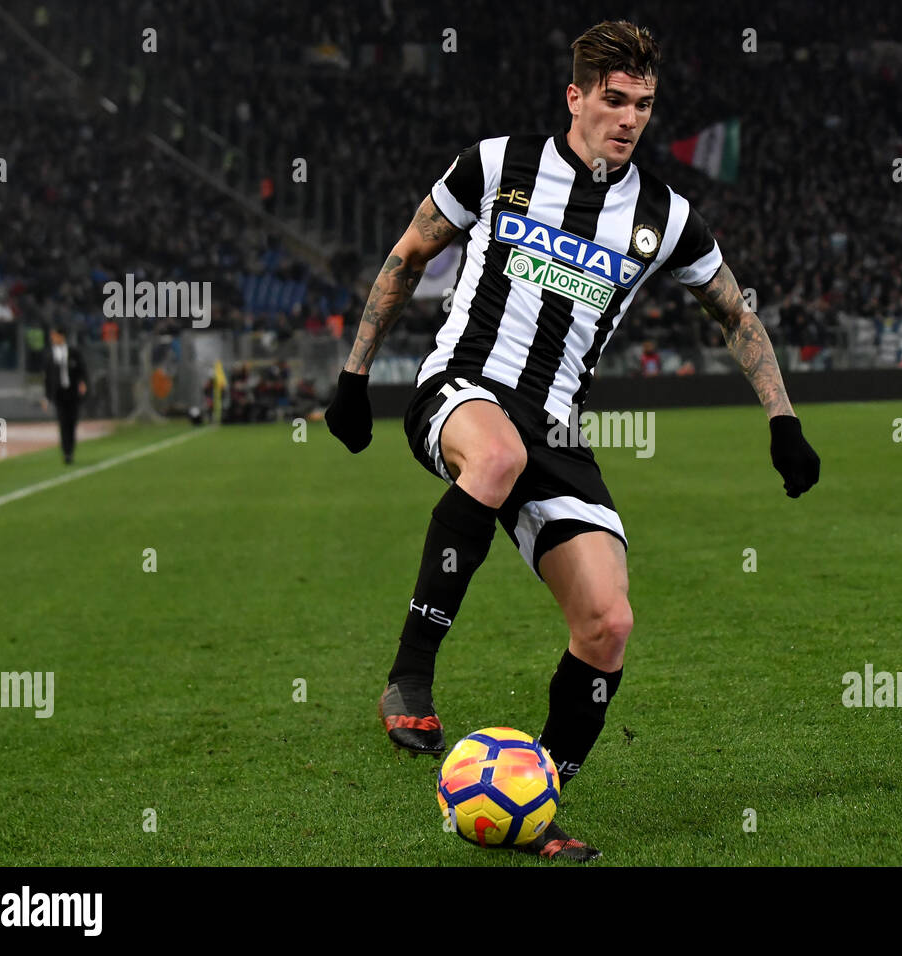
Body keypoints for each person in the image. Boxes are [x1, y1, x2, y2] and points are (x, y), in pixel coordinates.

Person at [325, 19, 820, 862]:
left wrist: (783, 419)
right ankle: (411, 672)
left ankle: (535, 803)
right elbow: (410, 254)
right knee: (499, 454)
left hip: (555, 429)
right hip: (463, 390)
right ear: (577, 98)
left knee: (609, 622)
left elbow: (737, 313)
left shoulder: (665, 217)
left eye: (645, 105)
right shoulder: (495, 165)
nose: (629, 119)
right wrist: (352, 378)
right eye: (615, 100)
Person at [41, 323, 87, 464]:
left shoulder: (73, 353)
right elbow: (48, 378)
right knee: (62, 422)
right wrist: (47, 397)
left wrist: (83, 382)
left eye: (55, 335)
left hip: (72, 392)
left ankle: (71, 449)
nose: (53, 338)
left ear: (62, 336)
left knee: (72, 422)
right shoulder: (50, 356)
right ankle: (66, 452)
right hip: (59, 394)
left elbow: (82, 370)